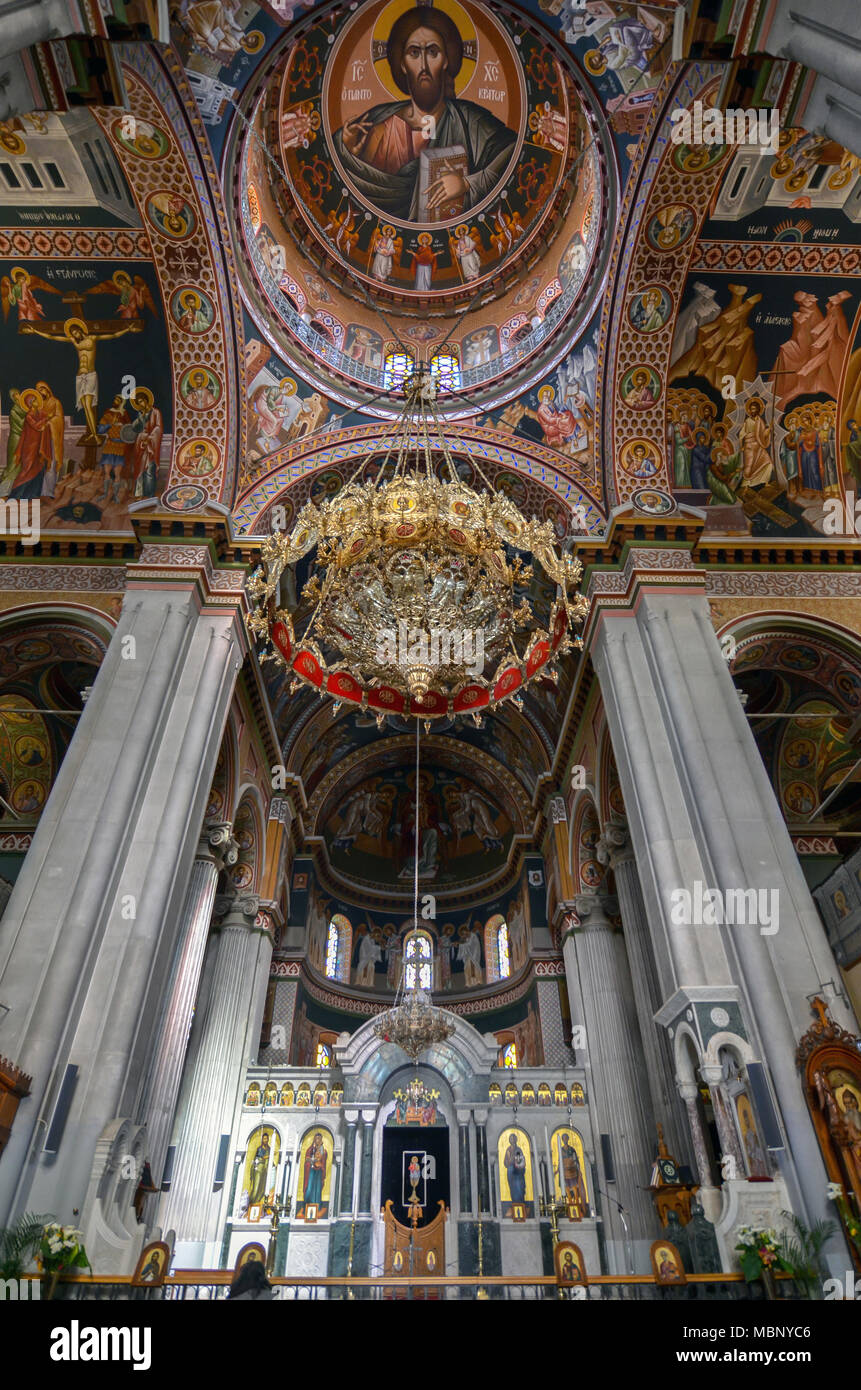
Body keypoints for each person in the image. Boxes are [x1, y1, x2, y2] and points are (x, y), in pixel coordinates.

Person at [333, 7, 516, 222]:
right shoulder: (375, 123)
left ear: (446, 61)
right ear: (402, 64)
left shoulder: (470, 121)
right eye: (414, 53)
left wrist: (467, 183)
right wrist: (347, 150)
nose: (423, 66)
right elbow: (349, 175)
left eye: (432, 52)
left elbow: (514, 151)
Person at [303, 1131, 327, 1205]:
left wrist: (319, 1162)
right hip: (311, 1171)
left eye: (319, 1139)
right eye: (316, 1139)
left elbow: (323, 1161)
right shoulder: (310, 1150)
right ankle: (307, 1203)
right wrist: (312, 1160)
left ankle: (317, 1205)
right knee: (309, 1188)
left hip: (319, 1171)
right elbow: (307, 1159)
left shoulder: (323, 1151)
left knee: (317, 1188)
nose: (318, 1140)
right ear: (314, 1140)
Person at [504, 1132, 527, 1203]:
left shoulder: (518, 1150)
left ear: (516, 1140)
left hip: (517, 1173)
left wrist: (511, 1159)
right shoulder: (508, 1150)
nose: (511, 1140)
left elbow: (519, 1162)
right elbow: (506, 1163)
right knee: (512, 1187)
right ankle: (514, 1202)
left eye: (513, 1138)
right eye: (510, 1139)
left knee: (519, 1187)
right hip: (510, 1173)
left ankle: (520, 1202)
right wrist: (509, 1159)